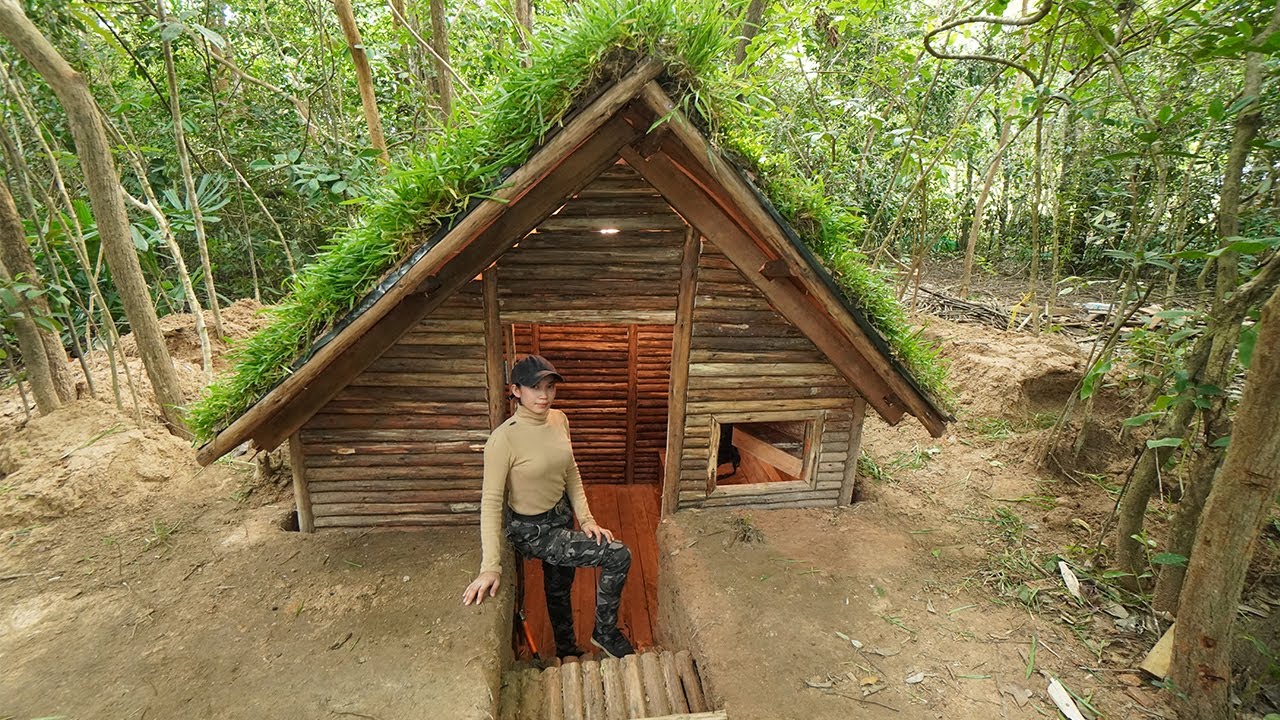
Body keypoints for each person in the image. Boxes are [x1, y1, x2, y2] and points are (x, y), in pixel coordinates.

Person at [462, 354, 635, 659]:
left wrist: (587, 519)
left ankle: (567, 650)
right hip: (533, 531)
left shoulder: (559, 419)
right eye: (534, 387)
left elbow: (571, 471)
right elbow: (490, 503)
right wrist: (490, 566)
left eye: (550, 387)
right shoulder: (503, 440)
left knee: (559, 586)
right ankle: (604, 633)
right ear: (516, 390)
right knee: (618, 555)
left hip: (561, 516)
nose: (544, 395)